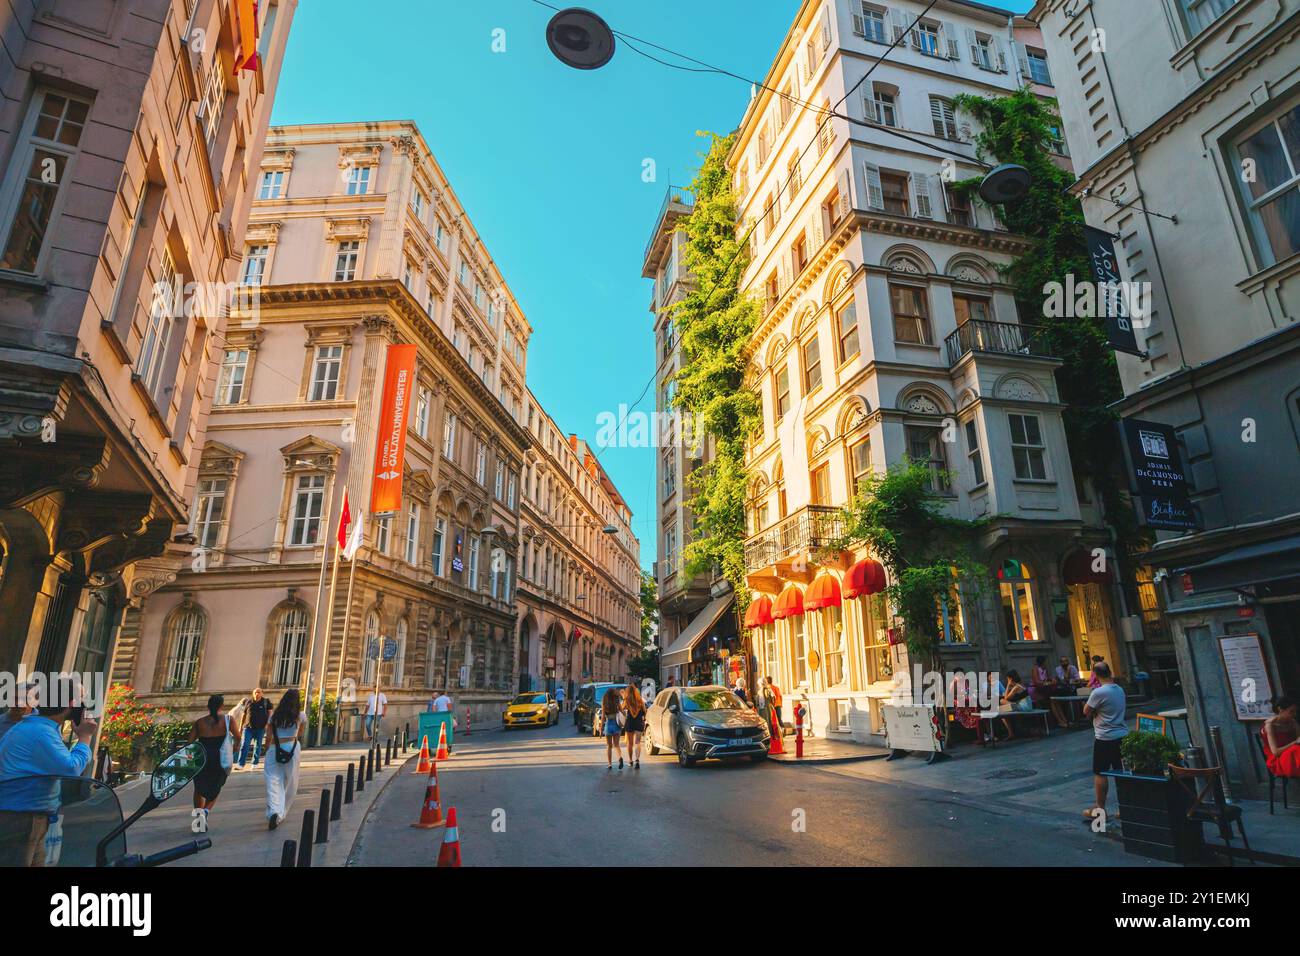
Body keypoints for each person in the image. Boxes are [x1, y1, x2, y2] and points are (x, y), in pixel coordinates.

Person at [0, 677, 96, 866]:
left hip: (27, 816)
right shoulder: (41, 732)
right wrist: (85, 738)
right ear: (71, 704)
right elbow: (71, 769)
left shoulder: (38, 727)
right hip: (21, 818)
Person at [1083, 661, 1128, 820]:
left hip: (1105, 737)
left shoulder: (1099, 692)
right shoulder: (1119, 689)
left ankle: (1100, 809)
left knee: (1100, 773)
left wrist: (1094, 712)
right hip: (1122, 735)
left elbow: (1086, 711)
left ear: (1095, 675)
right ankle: (1125, 808)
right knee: (1122, 772)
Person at [264, 689, 307, 830]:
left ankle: (273, 812)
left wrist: (267, 749)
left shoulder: (274, 716)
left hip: (274, 748)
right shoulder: (300, 716)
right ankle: (281, 813)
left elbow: (268, 737)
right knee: (291, 781)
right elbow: (300, 733)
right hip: (292, 748)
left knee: (273, 780)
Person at [187, 694, 235, 820]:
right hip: (220, 759)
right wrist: (234, 750)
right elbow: (239, 736)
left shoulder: (200, 723)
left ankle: (198, 815)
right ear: (222, 706)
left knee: (199, 788)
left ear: (208, 706)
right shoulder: (228, 720)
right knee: (215, 787)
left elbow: (190, 742)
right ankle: (206, 811)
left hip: (202, 757)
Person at [1262, 696, 1300, 779]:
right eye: (1291, 712)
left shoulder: (1292, 722)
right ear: (1281, 710)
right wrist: (1295, 742)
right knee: (1296, 749)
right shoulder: (1270, 725)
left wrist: (1295, 725)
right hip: (1278, 760)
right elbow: (1275, 752)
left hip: (1293, 756)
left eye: (1295, 712)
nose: (1294, 714)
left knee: (1296, 749)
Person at [238, 687, 272, 768]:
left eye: (259, 692)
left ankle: (254, 763)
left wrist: (267, 725)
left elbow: (270, 714)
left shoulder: (266, 702)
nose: (257, 694)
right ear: (253, 693)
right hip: (248, 728)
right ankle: (241, 763)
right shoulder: (249, 702)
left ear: (262, 693)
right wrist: (240, 727)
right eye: (255, 692)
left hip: (260, 728)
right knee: (244, 745)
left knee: (258, 746)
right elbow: (244, 714)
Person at [621, 683, 646, 768]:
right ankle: (637, 760)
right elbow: (645, 711)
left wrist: (624, 698)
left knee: (630, 743)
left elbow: (621, 709)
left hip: (630, 722)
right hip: (639, 722)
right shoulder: (640, 700)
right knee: (638, 742)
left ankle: (630, 760)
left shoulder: (627, 700)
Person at [601, 686, 625, 770]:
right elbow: (621, 710)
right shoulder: (616, 699)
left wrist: (601, 729)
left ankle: (610, 764)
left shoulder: (604, 700)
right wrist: (623, 718)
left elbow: (603, 716)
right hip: (616, 724)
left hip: (608, 724)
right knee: (617, 744)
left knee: (609, 746)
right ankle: (620, 758)